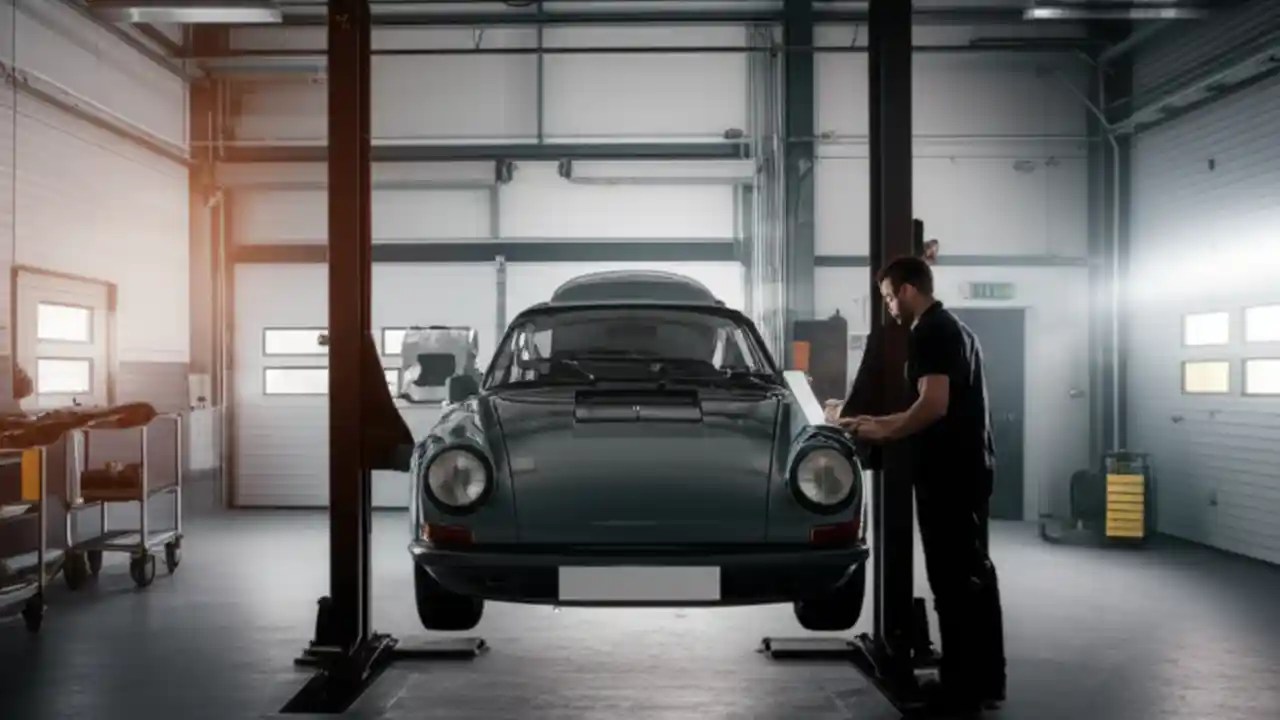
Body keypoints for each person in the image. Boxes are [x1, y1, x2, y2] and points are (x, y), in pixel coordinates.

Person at [837, 256, 1006, 714]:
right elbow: (933, 402)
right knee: (973, 575)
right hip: (967, 468)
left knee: (952, 581)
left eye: (889, 297)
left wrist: (886, 430)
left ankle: (961, 689)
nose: (889, 307)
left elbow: (933, 404)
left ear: (908, 290)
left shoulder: (930, 331)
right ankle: (984, 680)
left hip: (949, 473)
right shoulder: (958, 330)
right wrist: (875, 422)